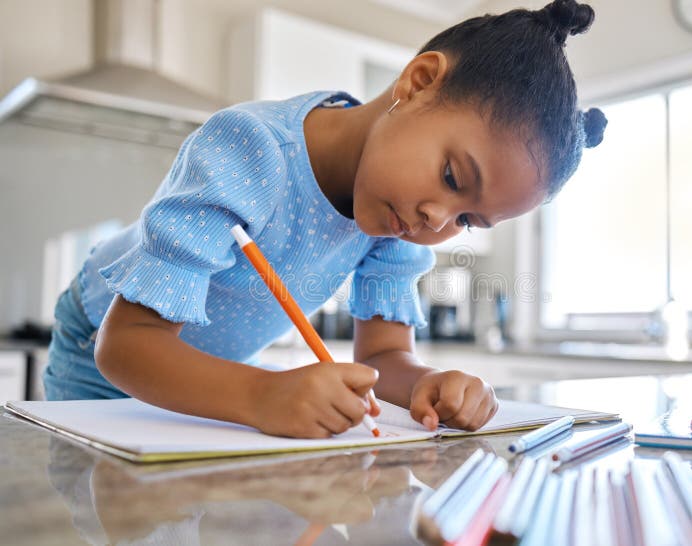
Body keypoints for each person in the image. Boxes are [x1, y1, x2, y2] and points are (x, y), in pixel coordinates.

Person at [42, 0, 607, 438]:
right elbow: (126, 344)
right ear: (418, 82)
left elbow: (384, 356)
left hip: (216, 370)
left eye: (469, 221)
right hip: (101, 346)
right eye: (454, 179)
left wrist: (426, 385)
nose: (437, 220)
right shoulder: (249, 151)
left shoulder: (395, 223)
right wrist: (262, 396)